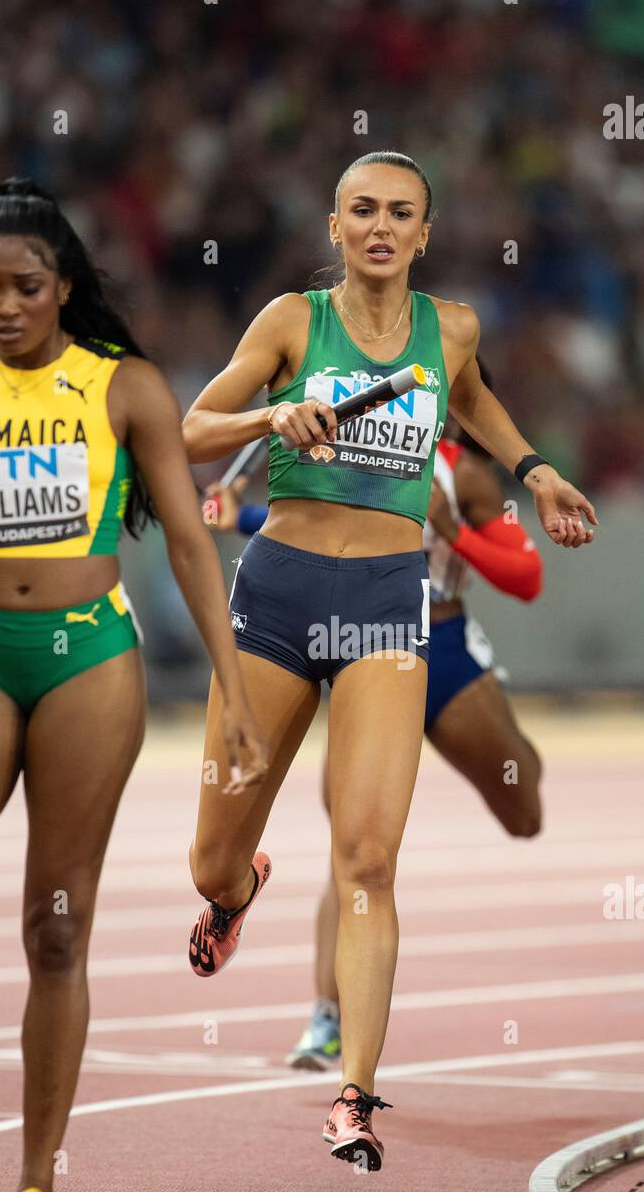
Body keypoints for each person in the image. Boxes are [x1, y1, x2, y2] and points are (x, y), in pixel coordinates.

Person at [183, 150, 596, 1172]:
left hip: (384, 604)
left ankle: (352, 1091)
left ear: (424, 230)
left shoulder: (451, 327)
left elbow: (475, 404)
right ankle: (235, 896)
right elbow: (191, 430)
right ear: (334, 228)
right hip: (276, 596)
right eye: (360, 210)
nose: (378, 225)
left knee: (368, 858)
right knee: (209, 858)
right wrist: (270, 414)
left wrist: (536, 473)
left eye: (397, 213)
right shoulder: (289, 321)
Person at [0, 178, 267, 1192]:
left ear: (65, 286)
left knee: (55, 925)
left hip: (88, 659)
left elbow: (184, 541)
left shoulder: (123, 387)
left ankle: (35, 1186)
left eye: (25, 286)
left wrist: (232, 693)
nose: (4, 305)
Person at [202, 364, 546, 1072]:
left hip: (441, 646)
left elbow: (528, 578)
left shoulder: (465, 477)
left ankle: (522, 761)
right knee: (354, 853)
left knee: (524, 808)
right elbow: (295, 525)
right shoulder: (334, 442)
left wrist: (456, 534)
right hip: (355, 647)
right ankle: (327, 1020)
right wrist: (233, 515)